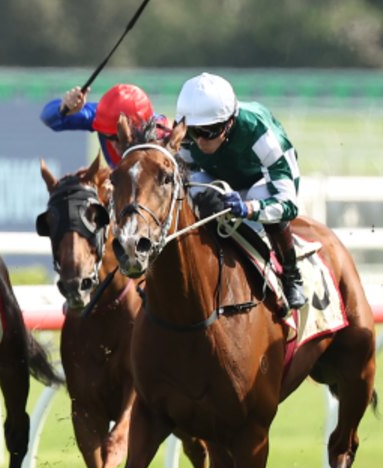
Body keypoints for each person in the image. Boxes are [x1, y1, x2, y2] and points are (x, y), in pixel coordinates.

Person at [176, 72, 307, 310]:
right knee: (199, 198)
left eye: (210, 131)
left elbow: (288, 204)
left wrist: (248, 208)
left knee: (263, 200)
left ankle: (291, 275)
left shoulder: (260, 132)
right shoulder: (185, 133)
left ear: (230, 121)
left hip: (262, 180)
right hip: (218, 177)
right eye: (195, 131)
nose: (201, 141)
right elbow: (184, 175)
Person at [40, 83, 169, 167]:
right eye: (109, 137)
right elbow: (47, 117)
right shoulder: (100, 116)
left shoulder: (162, 136)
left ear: (143, 129)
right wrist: (64, 107)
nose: (116, 145)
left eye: (122, 137)